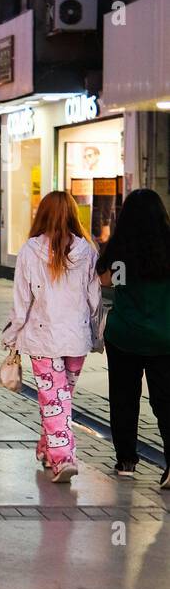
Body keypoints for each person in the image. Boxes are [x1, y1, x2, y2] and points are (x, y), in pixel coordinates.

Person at [1, 191, 101, 483]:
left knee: (53, 398)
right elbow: (95, 299)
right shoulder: (88, 250)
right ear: (73, 214)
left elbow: (22, 301)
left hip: (43, 339)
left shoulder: (30, 250)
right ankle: (48, 449)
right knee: (60, 398)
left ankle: (63, 459)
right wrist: (95, 333)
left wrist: (12, 334)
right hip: (76, 338)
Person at [96, 188, 170, 487]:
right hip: (164, 337)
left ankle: (126, 460)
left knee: (124, 399)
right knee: (165, 401)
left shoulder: (122, 248)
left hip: (125, 335)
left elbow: (104, 281)